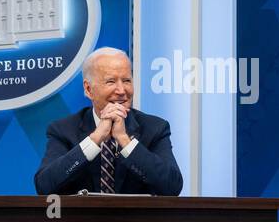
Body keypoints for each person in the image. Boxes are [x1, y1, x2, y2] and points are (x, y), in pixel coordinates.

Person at [33, 47, 183, 196]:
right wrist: (95, 139)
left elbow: (172, 187)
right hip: (82, 219)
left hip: (137, 219)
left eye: (126, 81)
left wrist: (125, 141)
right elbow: (45, 186)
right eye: (111, 81)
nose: (121, 90)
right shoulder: (63, 130)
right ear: (88, 89)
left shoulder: (154, 128)